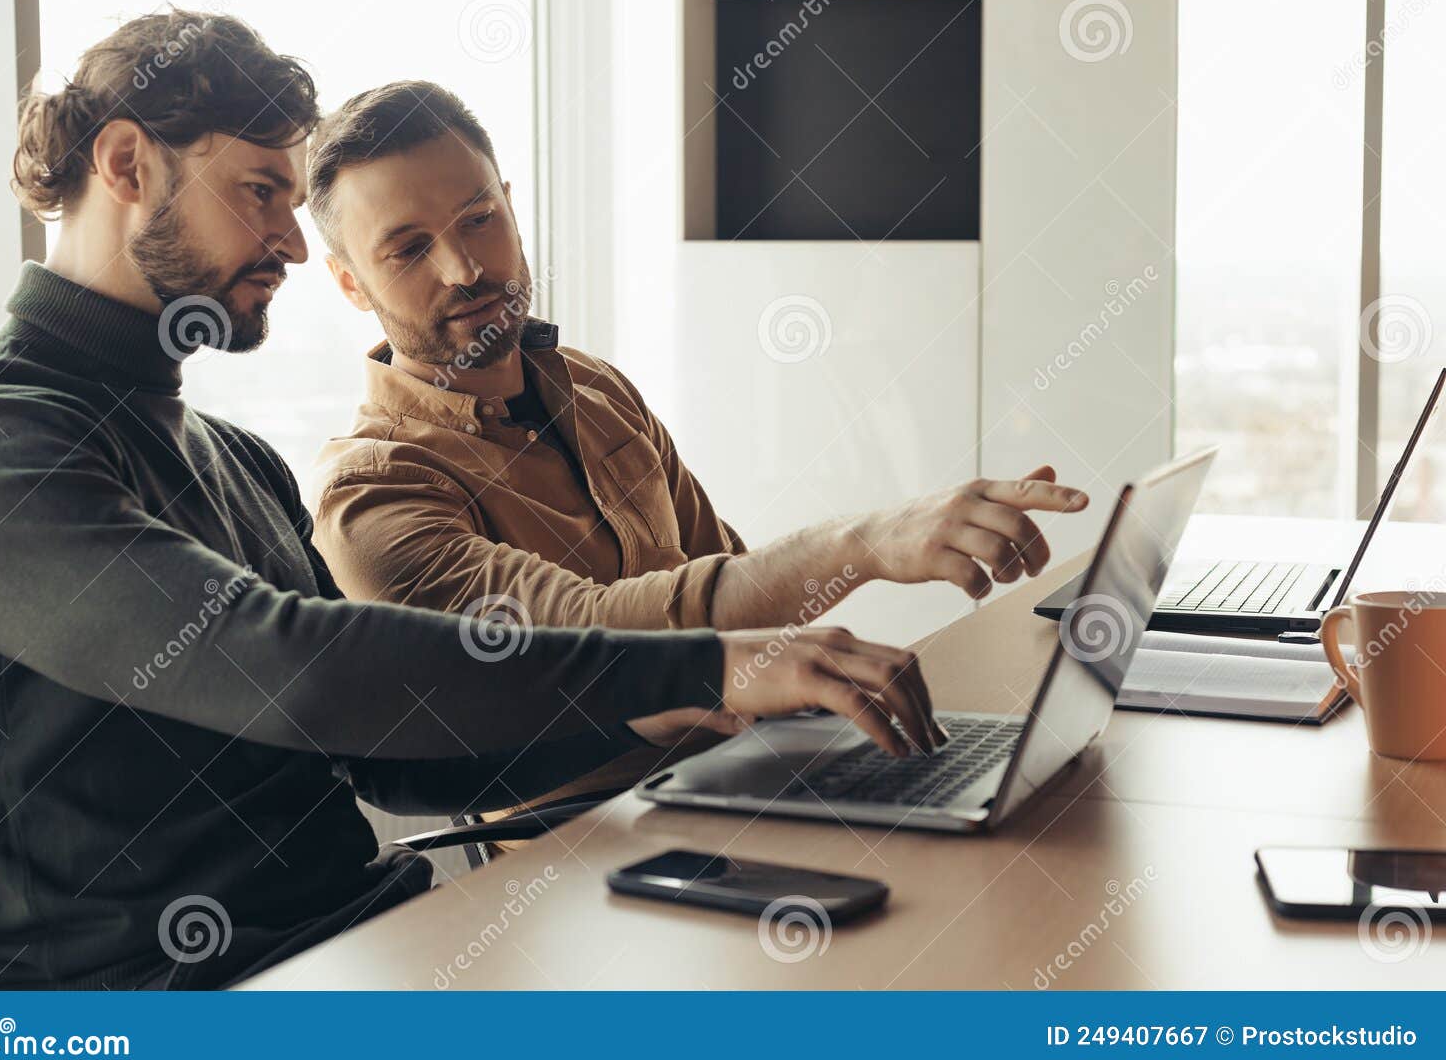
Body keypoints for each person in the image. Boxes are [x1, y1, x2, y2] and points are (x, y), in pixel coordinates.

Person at [0, 12, 940, 990]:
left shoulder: (231, 458)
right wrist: (704, 659)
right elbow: (294, 667)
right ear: (127, 162)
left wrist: (677, 703)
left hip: (359, 949)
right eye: (259, 191)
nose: (286, 236)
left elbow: (390, 756)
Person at [304, 80, 1090, 812]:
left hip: (750, 778)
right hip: (590, 856)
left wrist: (820, 675)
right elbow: (590, 637)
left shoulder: (593, 387)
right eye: (408, 250)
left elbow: (737, 592)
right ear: (348, 284)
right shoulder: (373, 491)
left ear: (510, 206)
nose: (466, 266)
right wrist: (865, 543)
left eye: (480, 218)